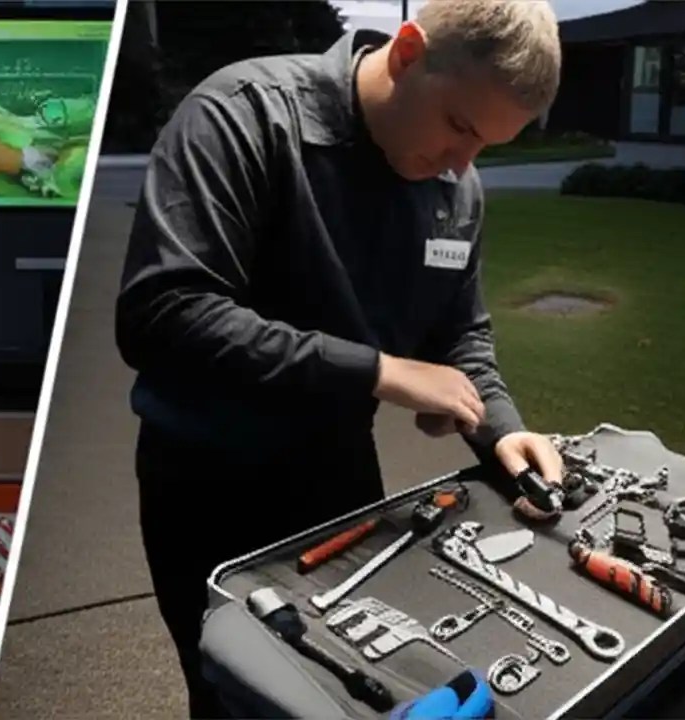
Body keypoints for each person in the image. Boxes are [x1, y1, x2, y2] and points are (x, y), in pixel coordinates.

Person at [114, 1, 566, 717]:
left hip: (340, 476)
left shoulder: (456, 190)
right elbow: (164, 314)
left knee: (353, 690)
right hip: (206, 479)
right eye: (460, 126)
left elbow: (460, 335)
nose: (463, 165)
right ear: (408, 52)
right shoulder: (242, 115)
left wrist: (501, 429)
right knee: (236, 693)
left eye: (487, 145)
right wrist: (381, 371)